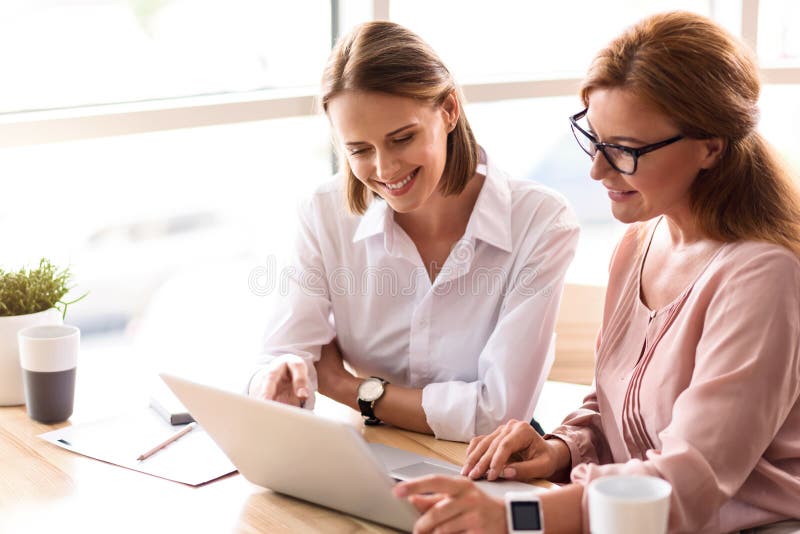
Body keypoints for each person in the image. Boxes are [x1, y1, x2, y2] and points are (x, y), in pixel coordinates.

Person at [394, 10, 800, 533]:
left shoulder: (762, 277)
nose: (597, 170)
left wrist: (514, 516)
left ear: (711, 147)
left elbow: (688, 480)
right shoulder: (639, 242)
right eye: (595, 139)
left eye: (626, 150)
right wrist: (560, 448)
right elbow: (620, 408)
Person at [246, 21, 579, 442]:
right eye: (359, 151)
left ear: (449, 110)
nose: (385, 170)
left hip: (484, 457)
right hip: (376, 446)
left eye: (402, 138)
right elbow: (284, 351)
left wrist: (344, 386)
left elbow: (498, 414)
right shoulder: (324, 212)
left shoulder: (540, 221)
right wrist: (275, 380)